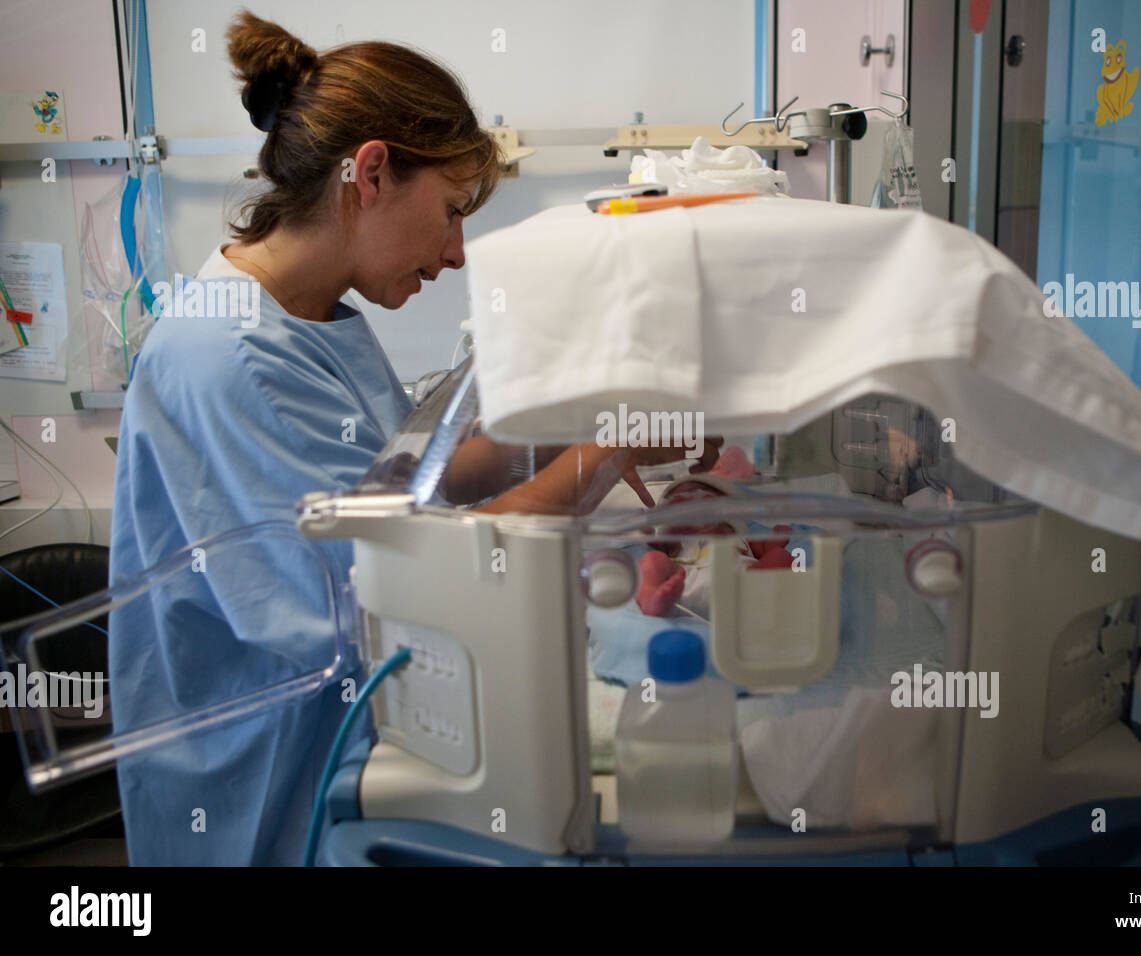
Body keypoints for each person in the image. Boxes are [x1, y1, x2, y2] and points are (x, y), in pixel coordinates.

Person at [109, 11, 716, 866]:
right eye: (452, 211)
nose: (458, 253)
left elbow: (414, 484)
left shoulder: (312, 318)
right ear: (371, 172)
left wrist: (578, 431)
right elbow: (397, 587)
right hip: (263, 778)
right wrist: (602, 450)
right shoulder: (231, 360)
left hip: (347, 739)